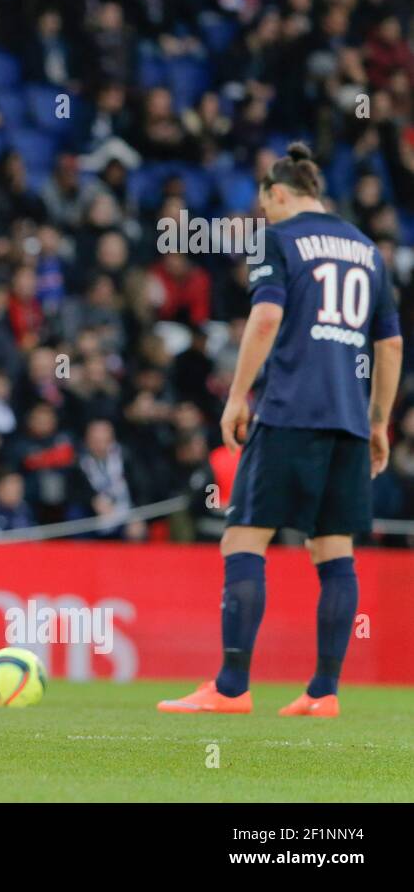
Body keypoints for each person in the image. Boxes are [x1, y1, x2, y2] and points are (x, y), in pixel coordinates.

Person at [159, 143, 402, 717]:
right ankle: (323, 693)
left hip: (291, 410)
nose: (262, 215)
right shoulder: (368, 250)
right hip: (347, 419)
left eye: (264, 204)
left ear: (279, 194)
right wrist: (378, 421)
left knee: (243, 537)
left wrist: (237, 395)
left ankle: (231, 686)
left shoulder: (280, 238)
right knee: (333, 550)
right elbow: (389, 345)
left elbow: (266, 318)